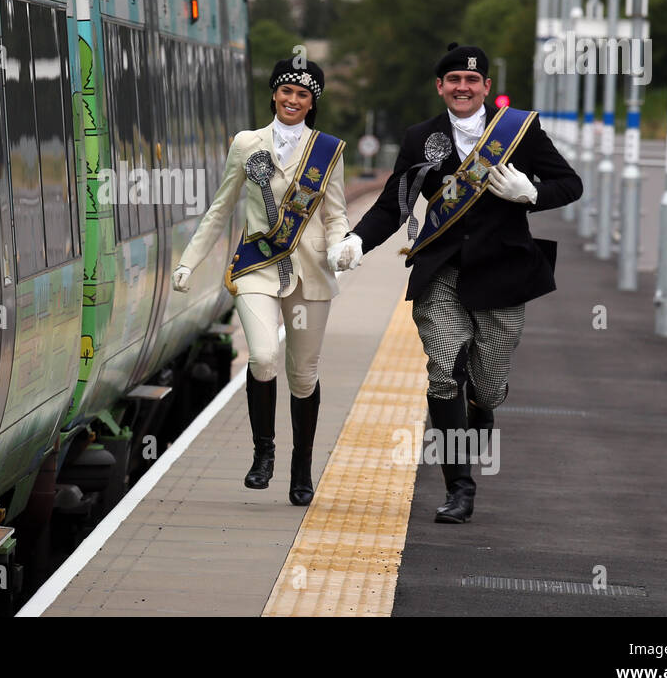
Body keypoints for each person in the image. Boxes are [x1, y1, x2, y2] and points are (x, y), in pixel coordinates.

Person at [329, 42, 582, 523]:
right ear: (440, 87)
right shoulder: (420, 137)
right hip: (441, 271)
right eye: (452, 81)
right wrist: (357, 242)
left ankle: (482, 409)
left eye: (471, 81)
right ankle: (458, 488)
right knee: (444, 372)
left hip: (503, 272)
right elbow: (392, 203)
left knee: (486, 387)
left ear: (486, 87)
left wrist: (531, 193)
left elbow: (570, 184)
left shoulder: (518, 133)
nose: (462, 88)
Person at [173, 57, 350, 506]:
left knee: (303, 376)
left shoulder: (327, 150)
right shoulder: (246, 143)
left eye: (303, 95)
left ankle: (301, 468)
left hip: (310, 275)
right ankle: (263, 454)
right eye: (286, 91)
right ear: (273, 94)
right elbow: (220, 208)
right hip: (257, 267)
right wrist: (189, 262)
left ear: (313, 103)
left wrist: (342, 245)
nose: (293, 100)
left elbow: (336, 212)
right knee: (265, 356)